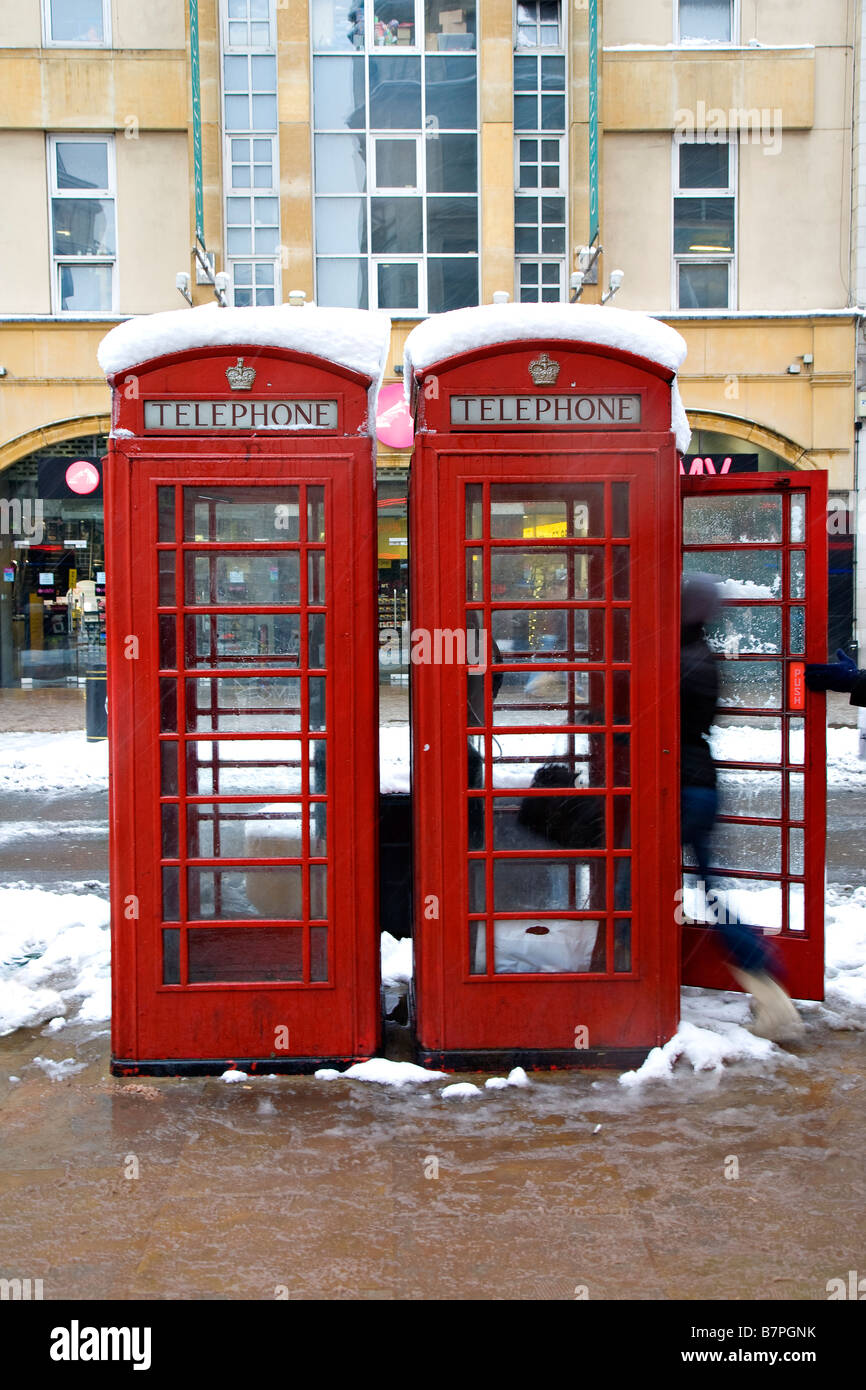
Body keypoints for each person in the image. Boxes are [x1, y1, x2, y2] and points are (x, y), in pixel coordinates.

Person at [680, 572, 805, 1041]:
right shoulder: (703, 655)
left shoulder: (679, 659)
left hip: (678, 788)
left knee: (634, 883)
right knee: (712, 890)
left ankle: (621, 977)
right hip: (700, 784)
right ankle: (770, 990)